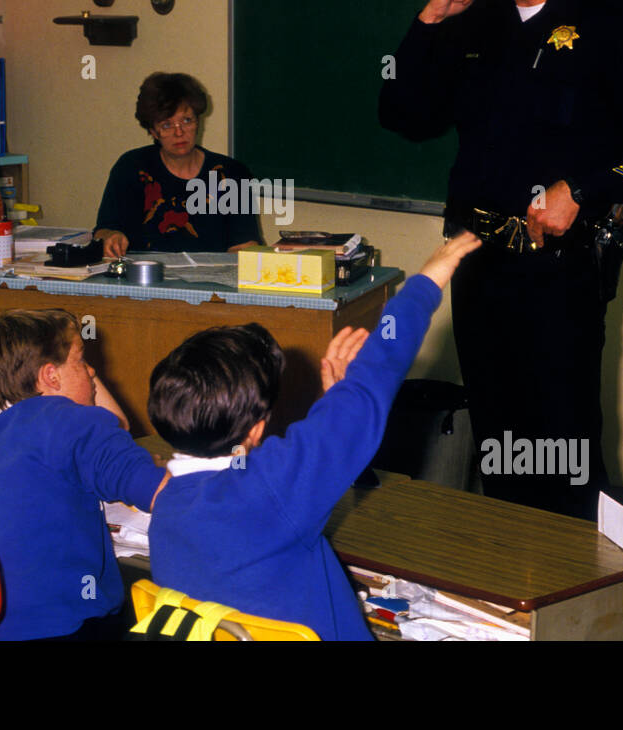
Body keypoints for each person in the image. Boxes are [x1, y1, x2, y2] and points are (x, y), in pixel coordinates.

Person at [378, 0, 623, 519]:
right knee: (499, 443)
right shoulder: (471, 25)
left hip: (560, 272)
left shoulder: (620, 27)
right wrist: (430, 19)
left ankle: (585, 595)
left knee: (564, 447)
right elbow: (402, 115)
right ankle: (511, 590)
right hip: (477, 261)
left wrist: (584, 188)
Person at [147, 233, 481, 640]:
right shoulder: (273, 487)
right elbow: (374, 377)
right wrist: (426, 283)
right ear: (256, 429)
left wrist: (337, 406)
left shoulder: (165, 507)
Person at [0, 308, 169, 640]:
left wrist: (73, 369)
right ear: (50, 376)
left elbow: (114, 425)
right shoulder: (75, 426)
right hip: (65, 626)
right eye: (81, 361)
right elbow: (163, 494)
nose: (92, 372)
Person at [94, 72, 263, 258]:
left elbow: (245, 246)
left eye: (186, 121)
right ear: (153, 131)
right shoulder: (131, 168)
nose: (179, 132)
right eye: (167, 125)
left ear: (198, 122)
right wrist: (111, 237)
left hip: (211, 285)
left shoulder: (232, 174)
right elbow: (104, 231)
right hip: (142, 282)